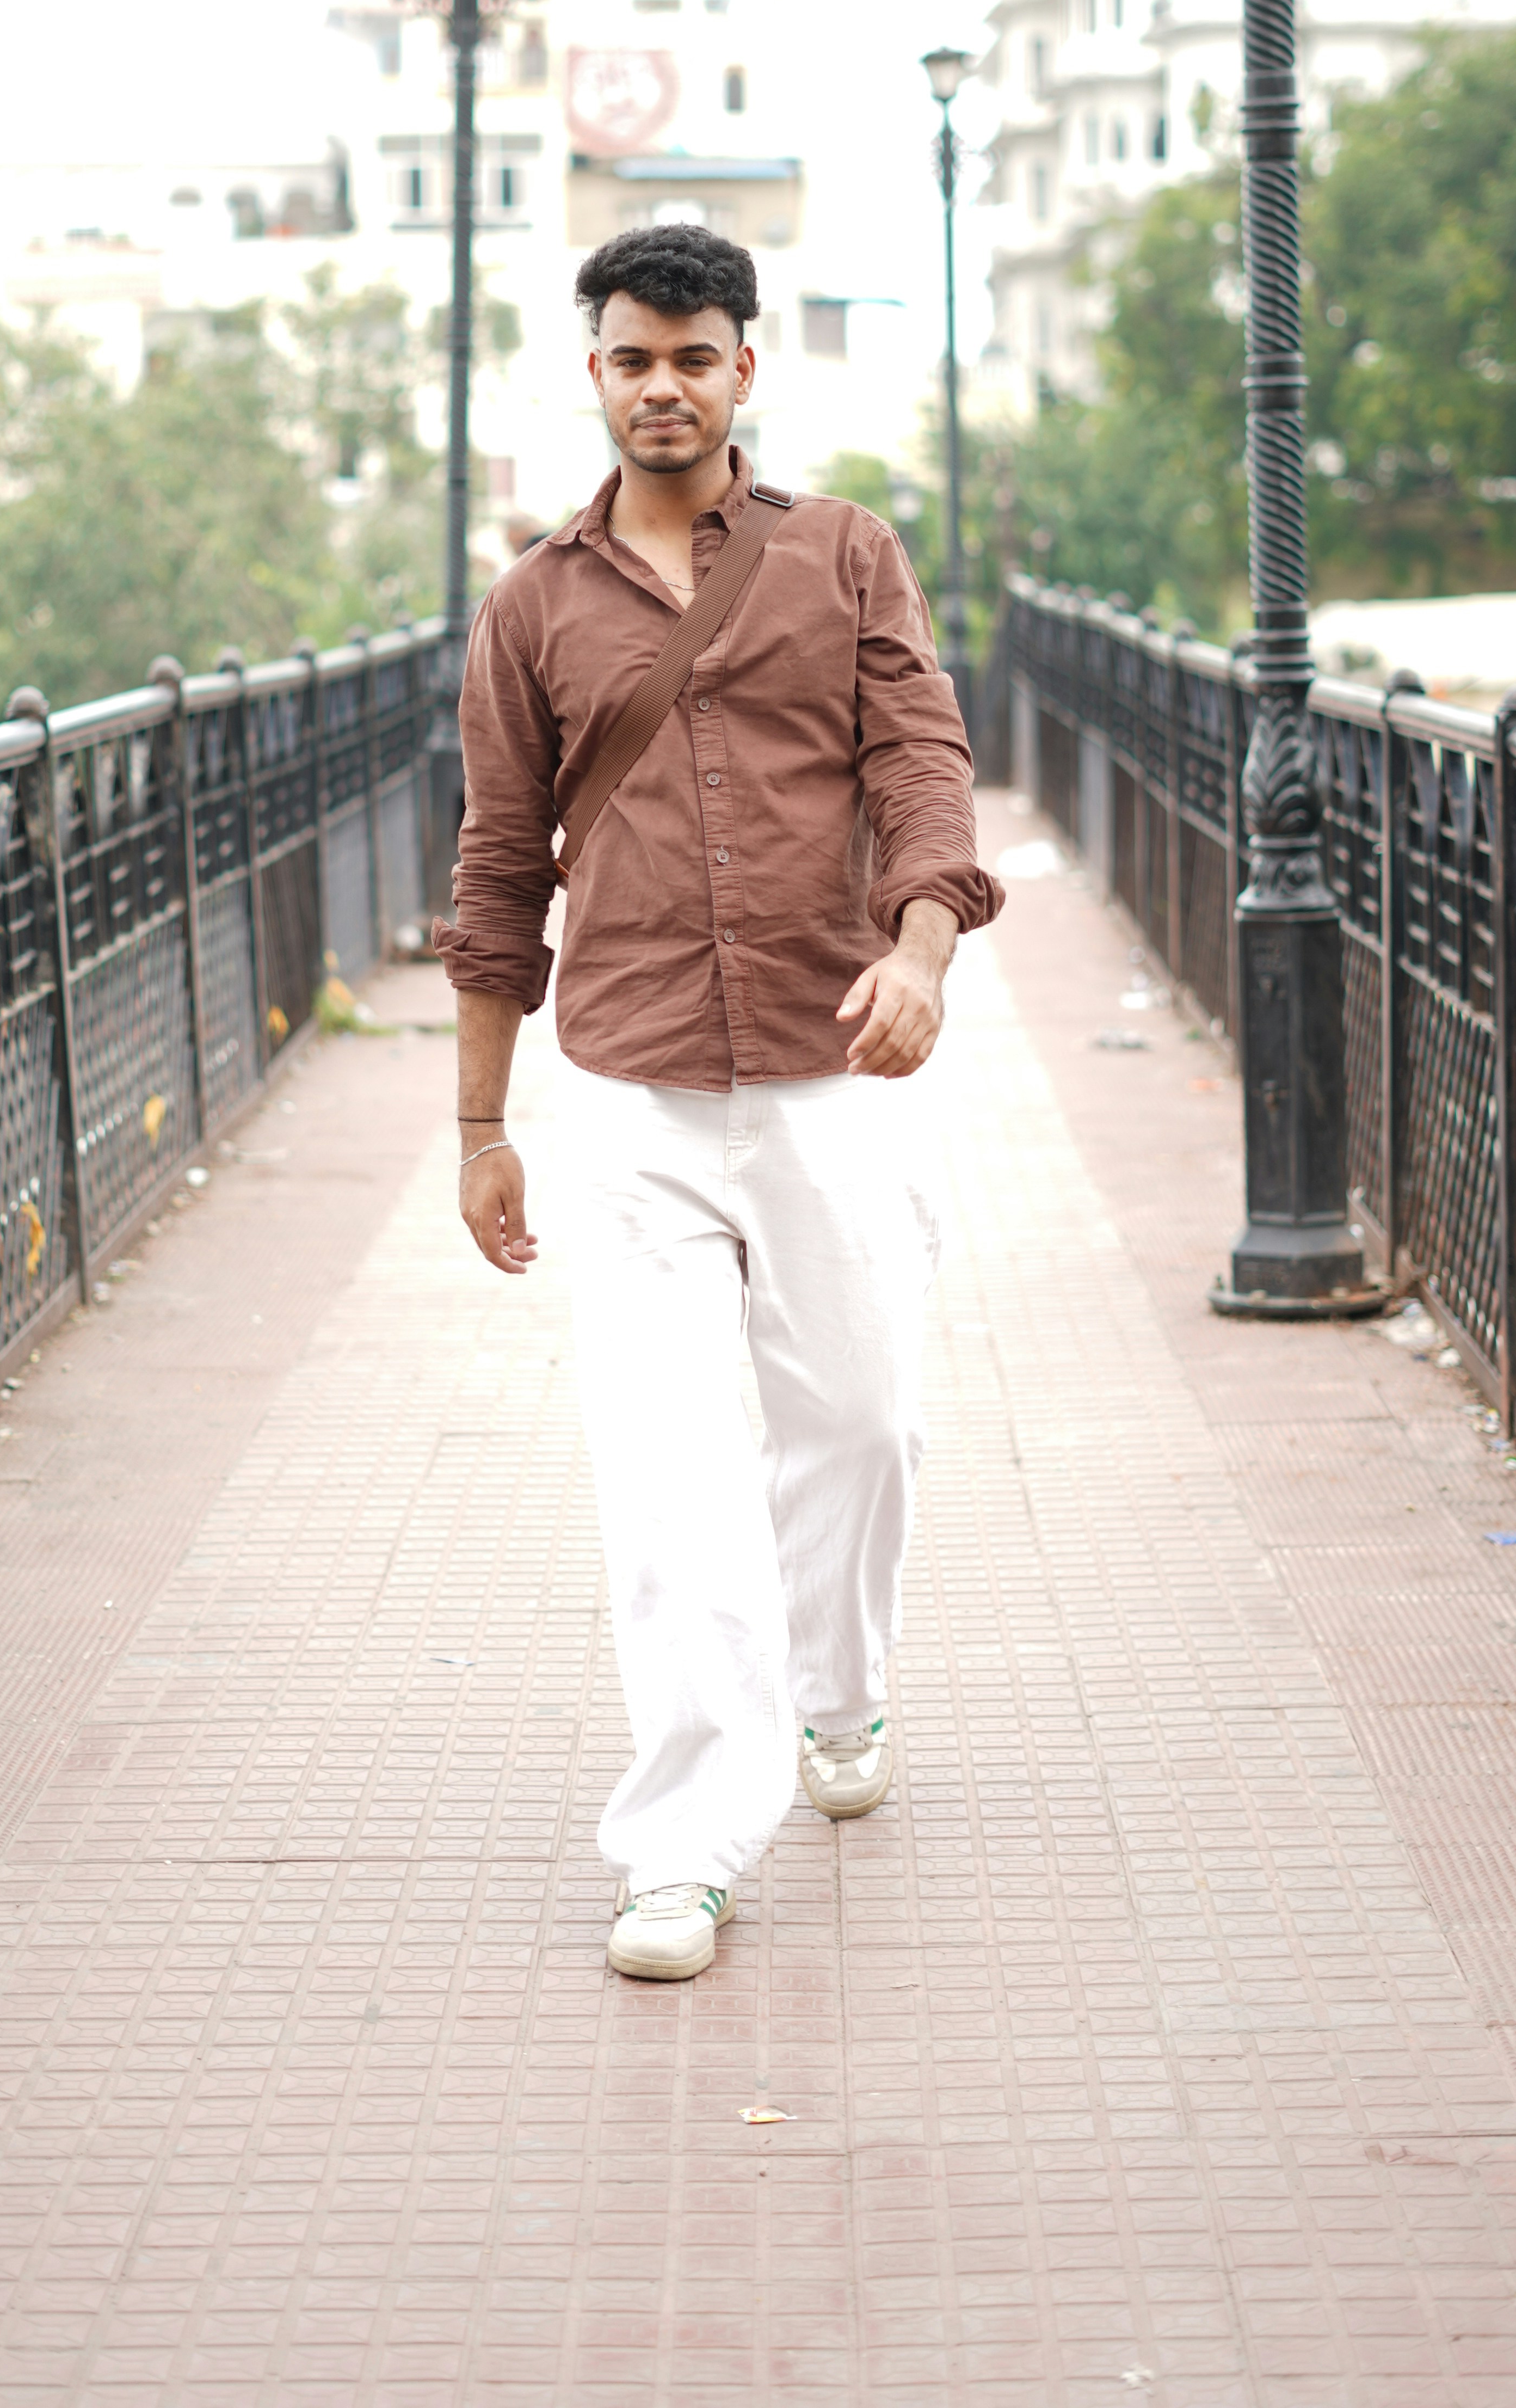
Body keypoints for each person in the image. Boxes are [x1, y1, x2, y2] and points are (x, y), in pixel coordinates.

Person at [433, 225, 1001, 1981]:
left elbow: (921, 764)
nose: (661, 385)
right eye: (629, 357)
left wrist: (920, 952)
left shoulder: (843, 556)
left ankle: (841, 1694)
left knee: (864, 1424)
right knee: (672, 1472)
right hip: (629, 1089)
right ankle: (681, 1841)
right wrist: (479, 1124)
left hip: (838, 1063)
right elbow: (497, 865)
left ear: (745, 368)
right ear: (593, 377)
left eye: (692, 355)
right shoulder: (533, 605)